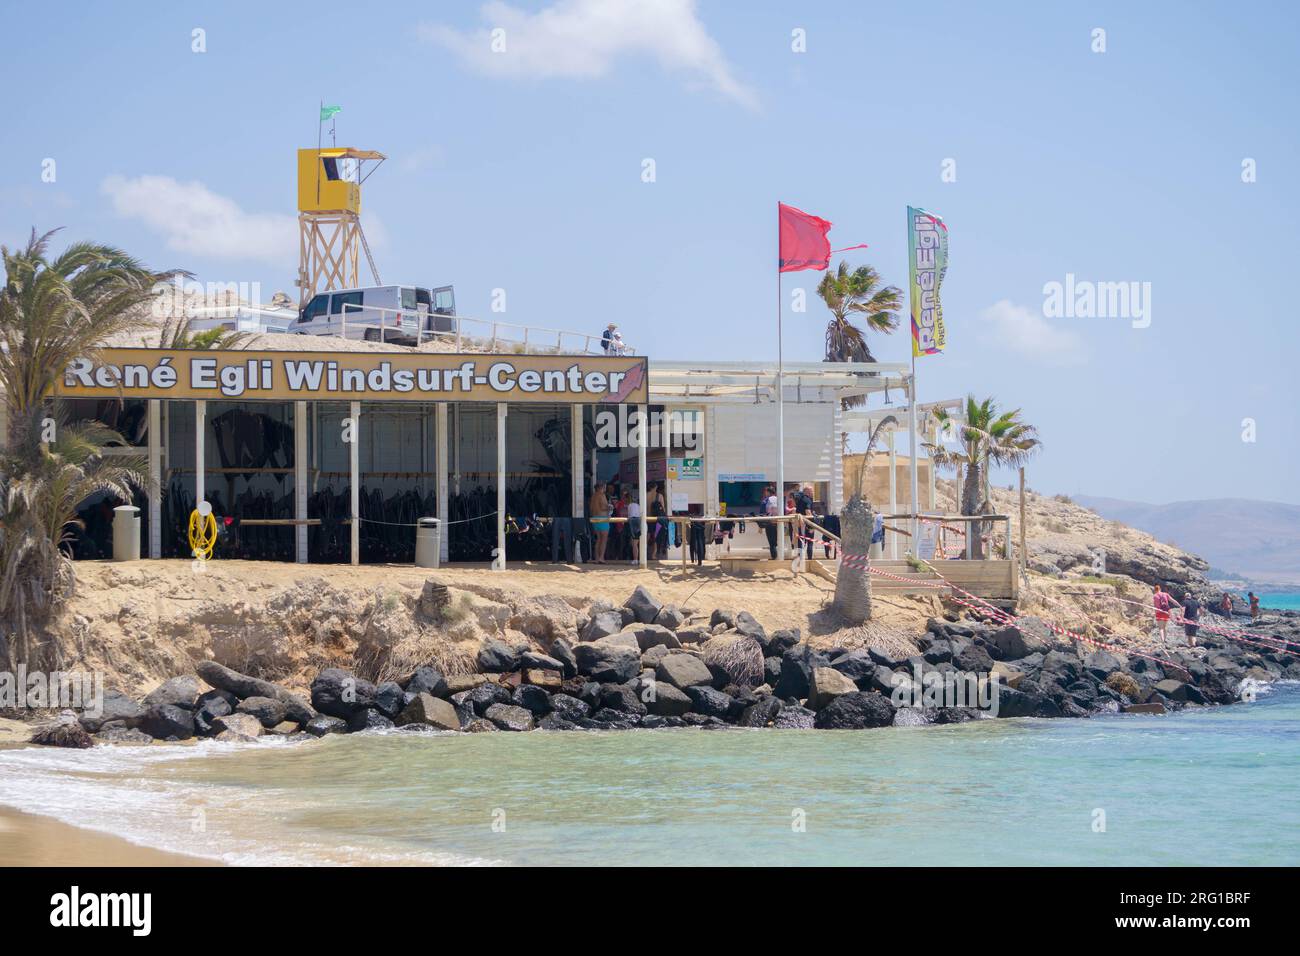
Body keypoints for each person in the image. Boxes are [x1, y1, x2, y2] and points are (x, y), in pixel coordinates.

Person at [792, 483, 815, 559]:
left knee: (801, 542)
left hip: (799, 523)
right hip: (806, 524)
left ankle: (800, 559)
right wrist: (812, 525)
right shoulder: (808, 500)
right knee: (810, 542)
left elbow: (796, 511)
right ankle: (809, 559)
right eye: (812, 491)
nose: (813, 493)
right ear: (807, 492)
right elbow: (808, 512)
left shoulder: (799, 499)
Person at [589, 482, 610, 564]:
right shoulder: (602, 495)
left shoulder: (593, 496)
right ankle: (601, 558)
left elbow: (591, 508)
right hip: (602, 518)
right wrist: (609, 507)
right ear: (602, 487)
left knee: (598, 539)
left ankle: (597, 558)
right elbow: (602, 507)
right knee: (604, 539)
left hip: (594, 518)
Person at [761, 484, 780, 559]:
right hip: (779, 522)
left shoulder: (766, 500)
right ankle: (779, 556)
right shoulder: (779, 499)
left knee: (772, 543)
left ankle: (774, 557)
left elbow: (762, 513)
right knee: (778, 540)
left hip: (769, 523)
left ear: (768, 492)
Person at [626, 491, 641, 565]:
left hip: (633, 522)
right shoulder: (638, 506)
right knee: (636, 543)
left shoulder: (630, 505)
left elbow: (629, 515)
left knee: (634, 544)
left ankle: (635, 559)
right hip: (638, 522)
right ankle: (637, 559)